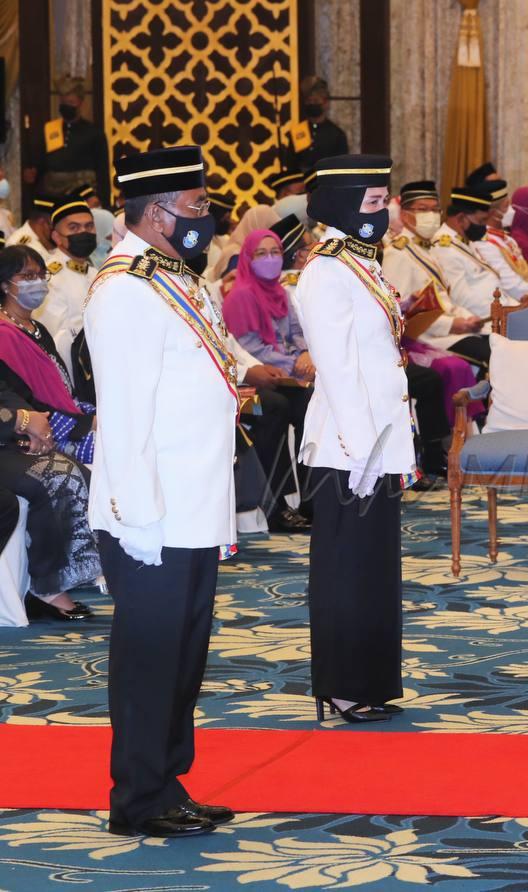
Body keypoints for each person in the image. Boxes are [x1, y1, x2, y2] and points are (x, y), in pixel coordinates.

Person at [84, 145, 238, 837]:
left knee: (183, 655)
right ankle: (138, 800)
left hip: (193, 503)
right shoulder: (124, 291)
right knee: (149, 660)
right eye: (197, 209)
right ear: (154, 214)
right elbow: (123, 416)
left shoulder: (172, 278)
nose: (207, 219)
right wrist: (137, 521)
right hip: (151, 512)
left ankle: (169, 782)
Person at [296, 154, 413, 722]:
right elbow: (338, 369)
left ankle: (370, 681)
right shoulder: (325, 270)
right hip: (347, 444)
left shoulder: (361, 262)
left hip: (378, 437)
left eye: (384, 201)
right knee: (346, 567)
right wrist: (364, 447)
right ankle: (340, 685)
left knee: (374, 566)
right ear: (344, 205)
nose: (384, 211)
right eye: (373, 203)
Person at [0, 246, 101, 622]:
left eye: (39, 274)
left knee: (75, 466)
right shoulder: (4, 333)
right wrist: (25, 422)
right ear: (4, 284)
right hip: (13, 434)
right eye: (26, 276)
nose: (37, 283)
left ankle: (73, 572)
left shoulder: (35, 328)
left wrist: (30, 420)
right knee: (58, 473)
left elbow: (45, 390)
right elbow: (18, 396)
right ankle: (46, 586)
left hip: (25, 426)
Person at [222, 228, 315, 531]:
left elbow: (297, 333)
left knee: (311, 404)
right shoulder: (240, 297)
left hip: (280, 377)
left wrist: (303, 356)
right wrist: (293, 365)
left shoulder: (281, 293)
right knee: (272, 408)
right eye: (261, 254)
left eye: (275, 252)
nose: (271, 259)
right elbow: (250, 349)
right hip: (244, 389)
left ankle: (312, 498)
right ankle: (274, 505)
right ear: (247, 260)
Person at [383, 181, 490, 368]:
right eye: (423, 209)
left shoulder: (428, 249)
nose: (430, 216)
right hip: (425, 337)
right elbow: (399, 311)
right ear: (404, 215)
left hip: (452, 329)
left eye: (435, 210)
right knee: (490, 354)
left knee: (500, 345)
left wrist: (466, 319)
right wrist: (451, 324)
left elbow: (445, 300)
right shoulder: (398, 253)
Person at [429, 185, 513, 318]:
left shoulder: (463, 240)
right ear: (461, 219)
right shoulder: (444, 248)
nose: (484, 227)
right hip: (483, 320)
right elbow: (462, 299)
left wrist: (513, 307)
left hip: (499, 308)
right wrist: (505, 314)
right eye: (481, 221)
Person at [36, 195, 99, 366]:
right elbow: (55, 343)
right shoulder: (50, 278)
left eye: (89, 226)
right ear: (56, 237)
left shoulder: (95, 273)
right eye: (74, 227)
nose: (83, 232)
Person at [24, 76, 110, 197]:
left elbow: (102, 172)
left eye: (71, 103)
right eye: (63, 103)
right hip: (52, 195)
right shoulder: (49, 130)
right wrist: (33, 174)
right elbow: (40, 166)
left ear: (81, 103)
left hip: (84, 196)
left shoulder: (95, 133)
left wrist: (103, 201)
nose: (66, 106)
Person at [474, 180, 528, 301]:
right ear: (493, 213)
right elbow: (511, 286)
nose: (513, 210)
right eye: (507, 206)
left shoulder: (508, 239)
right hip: (515, 304)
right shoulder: (484, 244)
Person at [289, 76, 349, 170]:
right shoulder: (297, 131)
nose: (312, 104)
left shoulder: (337, 134)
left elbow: (342, 167)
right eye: (309, 101)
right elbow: (291, 165)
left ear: (326, 103)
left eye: (316, 101)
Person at [9, 194, 58, 261]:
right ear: (42, 222)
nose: (55, 230)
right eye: (52, 226)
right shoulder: (20, 247)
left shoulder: (41, 240)